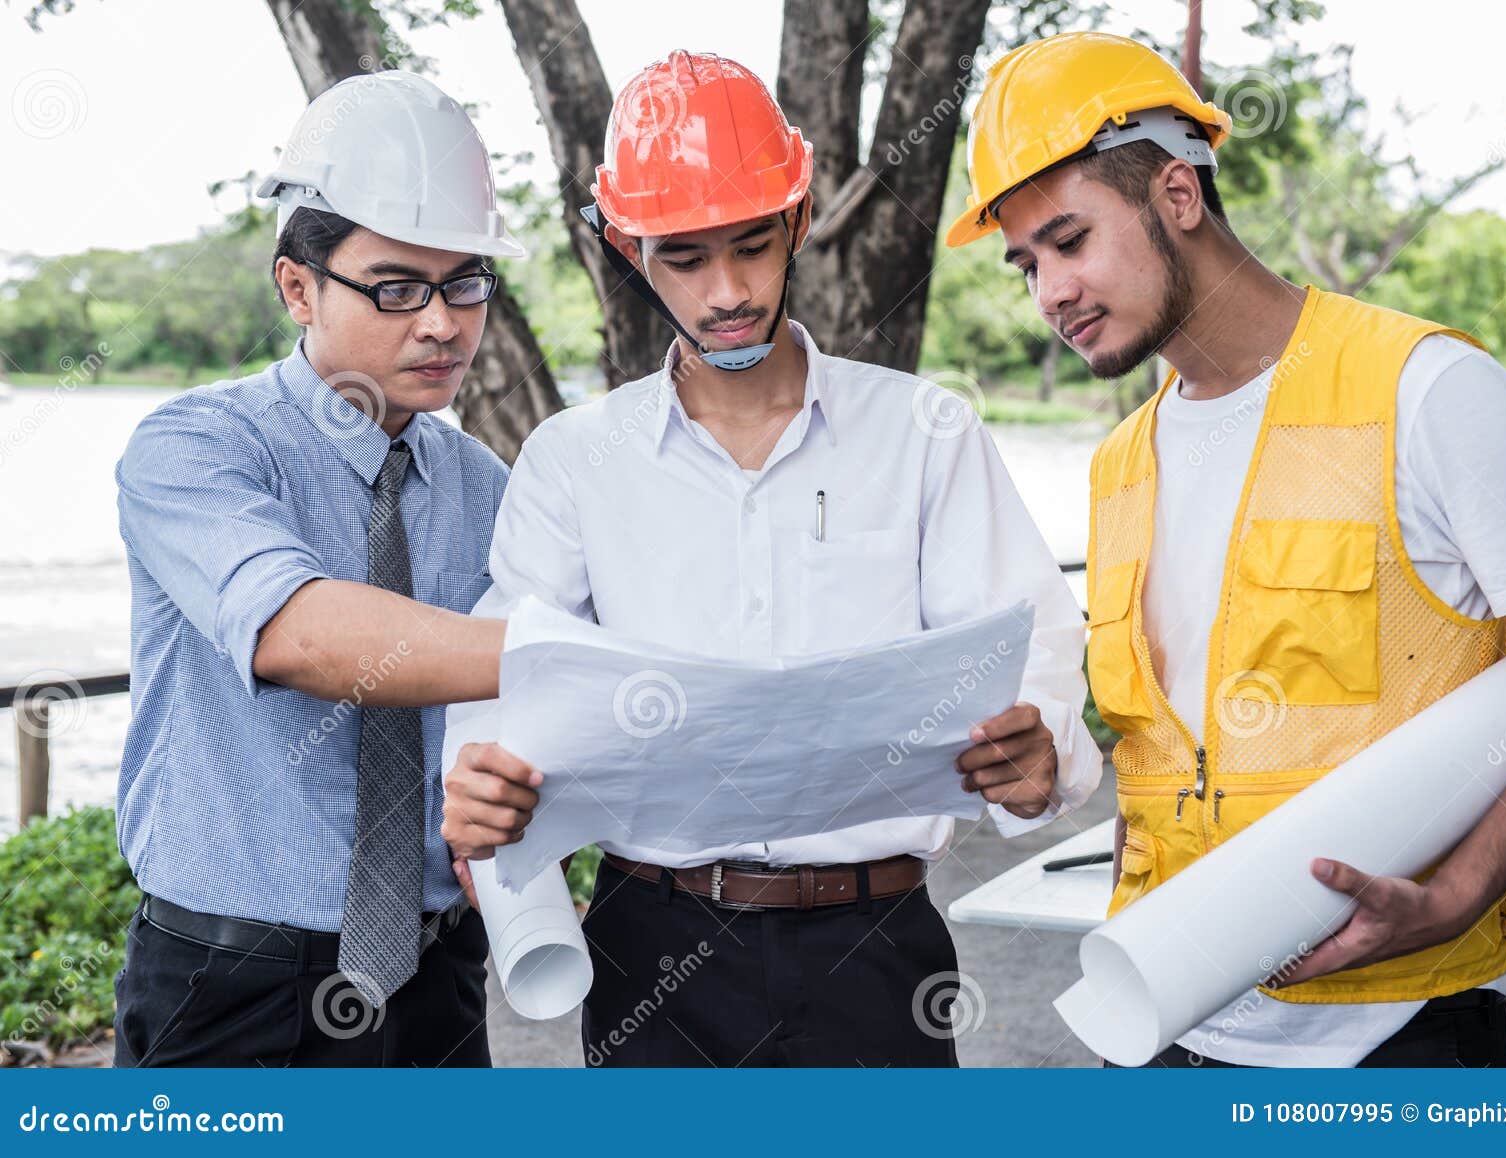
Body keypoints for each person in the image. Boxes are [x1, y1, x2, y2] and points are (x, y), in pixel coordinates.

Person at [951, 30, 1506, 1067]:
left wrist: (1462, 887)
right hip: (1168, 1021)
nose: (1049, 293)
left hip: (1394, 1041)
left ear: (1176, 195)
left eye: (1069, 241)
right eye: (1025, 263)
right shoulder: (1122, 465)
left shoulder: (1422, 392)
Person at [444, 50, 1102, 1067]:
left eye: (752, 246)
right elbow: (501, 674)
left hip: (877, 949)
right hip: (649, 949)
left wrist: (1040, 746)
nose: (728, 294)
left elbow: (1033, 654)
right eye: (684, 259)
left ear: (797, 220)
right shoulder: (575, 462)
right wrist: (482, 777)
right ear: (625, 247)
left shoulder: (924, 433)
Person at [113, 71, 541, 1067]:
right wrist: (582, 653)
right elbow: (304, 634)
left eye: (466, 281)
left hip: (435, 981)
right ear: (297, 286)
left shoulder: (484, 487)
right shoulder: (194, 448)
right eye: (396, 288)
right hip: (228, 991)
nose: (442, 323)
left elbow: (503, 718)